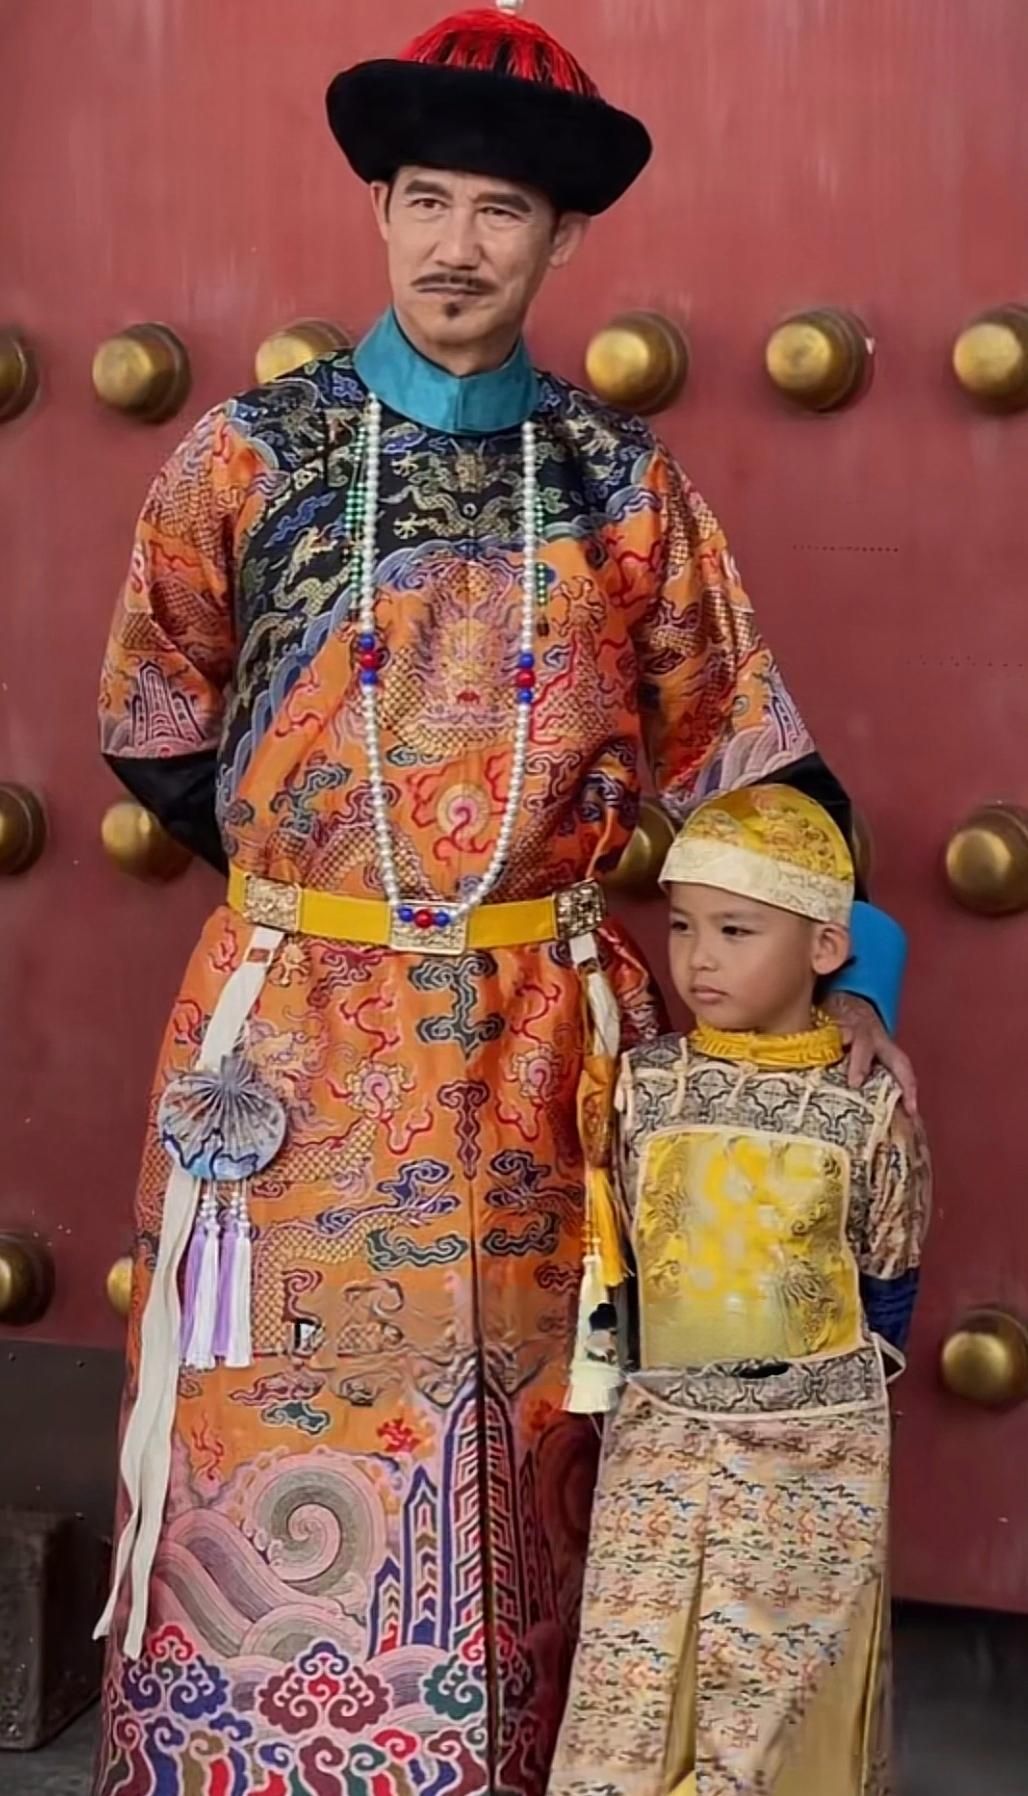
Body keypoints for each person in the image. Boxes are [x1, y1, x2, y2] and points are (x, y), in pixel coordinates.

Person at [93, 13, 913, 1796]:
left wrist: (862, 989)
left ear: (560, 243)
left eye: (502, 212)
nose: (457, 244)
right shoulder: (245, 458)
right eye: (424, 200)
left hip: (553, 1054)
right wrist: (332, 892)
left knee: (547, 1430)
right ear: (380, 213)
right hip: (291, 1058)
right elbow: (154, 730)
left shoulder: (622, 489)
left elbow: (751, 770)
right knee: (266, 1418)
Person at [549, 784, 931, 1796]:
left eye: (732, 930)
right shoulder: (645, 1084)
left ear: (821, 949)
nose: (696, 958)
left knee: (775, 1684)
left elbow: (888, 1265)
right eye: (679, 926)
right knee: (635, 1676)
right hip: (663, 1430)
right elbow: (619, 1243)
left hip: (813, 1448)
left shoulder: (862, 1103)